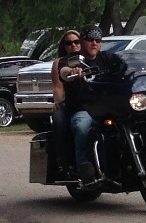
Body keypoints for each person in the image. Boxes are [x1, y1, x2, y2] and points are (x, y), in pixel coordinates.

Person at [60, 26, 111, 184]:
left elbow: (128, 63)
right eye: (90, 40)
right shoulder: (72, 59)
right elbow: (63, 71)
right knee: (82, 127)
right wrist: (72, 72)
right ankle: (84, 168)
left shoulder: (107, 58)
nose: (94, 43)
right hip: (84, 110)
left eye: (98, 40)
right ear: (83, 42)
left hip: (108, 109)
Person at [47, 30, 81, 168]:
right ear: (64, 46)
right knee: (58, 116)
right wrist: (58, 101)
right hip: (69, 101)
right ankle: (63, 158)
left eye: (76, 41)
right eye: (69, 43)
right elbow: (58, 86)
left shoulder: (89, 58)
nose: (73, 45)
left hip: (90, 101)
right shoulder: (60, 62)